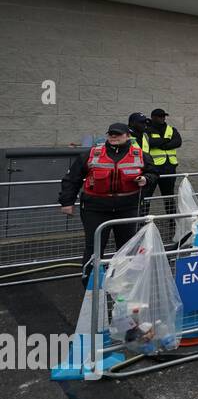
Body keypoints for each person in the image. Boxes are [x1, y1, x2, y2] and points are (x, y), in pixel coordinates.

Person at [59, 122, 158, 284]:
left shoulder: (140, 155)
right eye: (111, 133)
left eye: (118, 134)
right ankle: (91, 285)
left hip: (128, 208)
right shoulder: (91, 154)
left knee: (127, 247)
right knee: (94, 248)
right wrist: (66, 202)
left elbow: (154, 174)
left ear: (127, 136)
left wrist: (146, 179)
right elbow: (72, 179)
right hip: (95, 209)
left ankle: (124, 282)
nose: (113, 136)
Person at [144, 108, 182, 232]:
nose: (162, 118)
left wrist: (164, 144)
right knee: (147, 197)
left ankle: (172, 222)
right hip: (153, 168)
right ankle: (144, 224)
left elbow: (178, 141)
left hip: (169, 167)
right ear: (153, 117)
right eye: (160, 116)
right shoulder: (146, 129)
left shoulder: (171, 129)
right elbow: (149, 142)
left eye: (164, 116)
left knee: (169, 196)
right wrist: (165, 140)